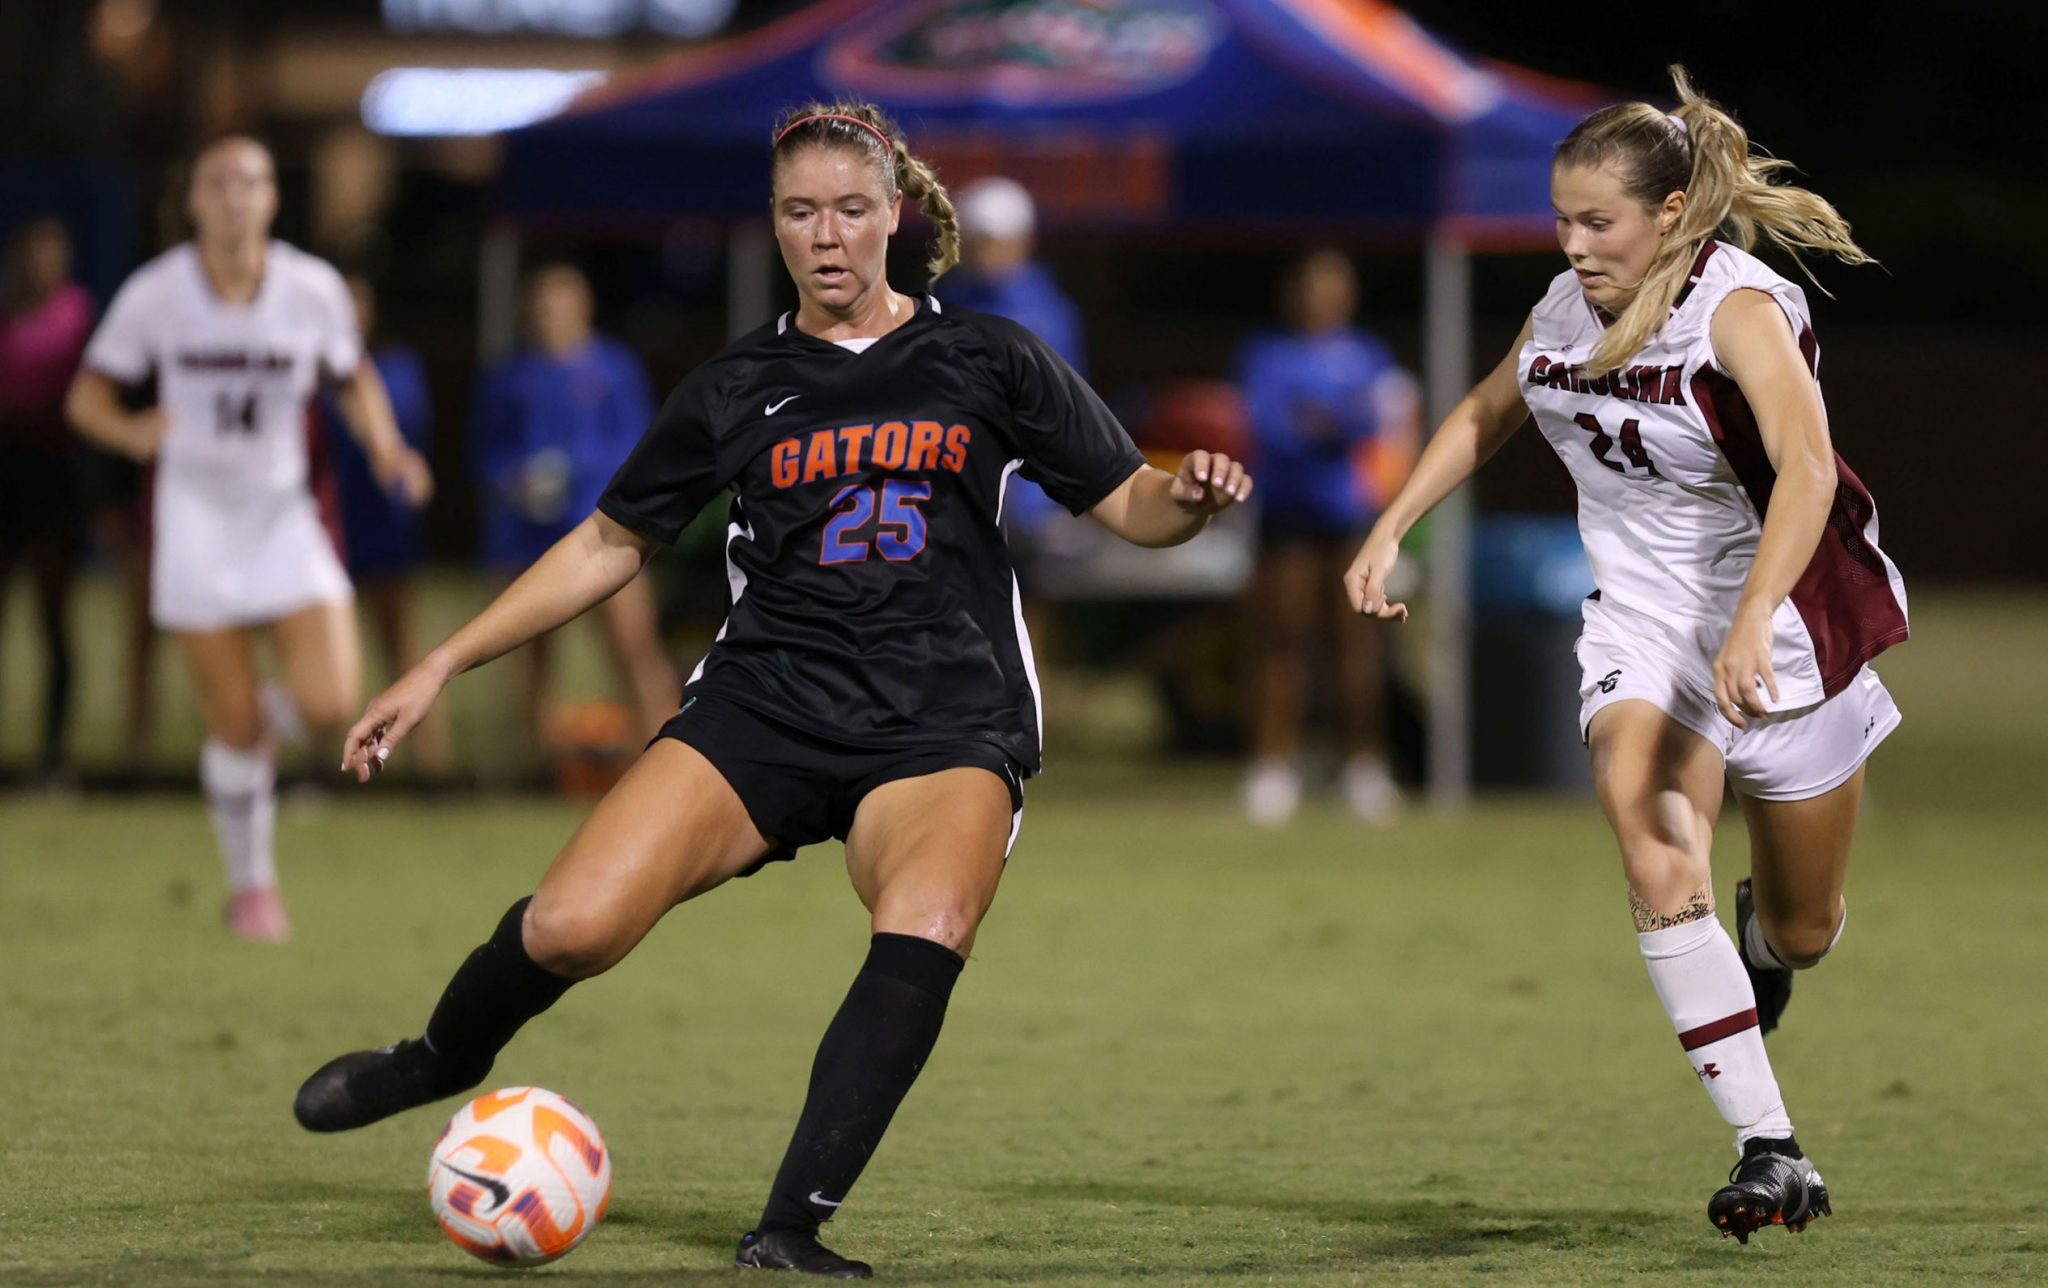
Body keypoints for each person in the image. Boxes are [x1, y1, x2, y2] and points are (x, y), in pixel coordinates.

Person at [291, 101, 1252, 1278]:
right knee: (569, 925)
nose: (827, 235)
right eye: (800, 213)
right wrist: (440, 661)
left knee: (925, 925)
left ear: (895, 214)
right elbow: (605, 543)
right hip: (767, 703)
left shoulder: (986, 357)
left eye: (851, 209)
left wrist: (1187, 497)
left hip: (943, 717)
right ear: (774, 225)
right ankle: (438, 1058)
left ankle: (787, 1226)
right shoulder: (735, 385)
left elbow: (1126, 505)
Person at [1345, 67, 1905, 1242]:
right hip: (1641, 624)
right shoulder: (1560, 307)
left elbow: (1805, 469)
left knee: (1802, 926)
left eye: (1593, 221)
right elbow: (1484, 412)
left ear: (1666, 215)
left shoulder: (1735, 308)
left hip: (1782, 625)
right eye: (1559, 219)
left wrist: (1752, 616)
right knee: (1649, 835)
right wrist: (1391, 527)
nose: (1570, 243)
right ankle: (1769, 1146)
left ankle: (1762, 946)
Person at [66, 136, 432, 940]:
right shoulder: (157, 294)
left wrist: (387, 448)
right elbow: (86, 398)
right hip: (195, 520)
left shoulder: (310, 287)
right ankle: (253, 887)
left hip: (281, 514)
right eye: (218, 182)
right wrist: (132, 433)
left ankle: (260, 720)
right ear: (193, 199)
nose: (235, 195)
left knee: (338, 705)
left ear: (272, 198)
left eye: (252, 181)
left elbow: (353, 375)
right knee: (233, 727)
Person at [1236, 249, 1417, 825]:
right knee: (1280, 641)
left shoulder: (1368, 355)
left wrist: (1326, 419)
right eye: (1312, 285)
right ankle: (1273, 766)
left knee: (1355, 648)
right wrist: (1330, 420)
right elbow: (1272, 426)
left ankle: (1363, 766)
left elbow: (1378, 423)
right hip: (1285, 519)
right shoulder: (1268, 354)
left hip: (1348, 519)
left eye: (1333, 286)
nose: (1322, 297)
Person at [473, 262, 679, 747]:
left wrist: (572, 471)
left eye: (562, 304)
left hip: (603, 529)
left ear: (584, 307)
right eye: (544, 306)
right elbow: (486, 455)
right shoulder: (509, 378)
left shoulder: (614, 369)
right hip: (529, 535)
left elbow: (639, 444)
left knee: (633, 645)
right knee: (528, 653)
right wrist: (516, 480)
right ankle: (537, 765)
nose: (552, 315)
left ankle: (665, 751)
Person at [317, 272, 452, 778]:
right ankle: (323, 766)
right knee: (321, 654)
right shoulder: (306, 370)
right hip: (322, 526)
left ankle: (434, 769)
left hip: (378, 525)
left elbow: (401, 438)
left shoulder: (394, 369)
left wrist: (394, 458)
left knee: (403, 647)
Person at [0, 216, 95, 784]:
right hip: (4, 477)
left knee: (54, 619)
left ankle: (54, 754)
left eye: (53, 252)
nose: (44, 262)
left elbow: (85, 398)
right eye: (35, 252)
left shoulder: (80, 316)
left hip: (53, 482)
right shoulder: (7, 314)